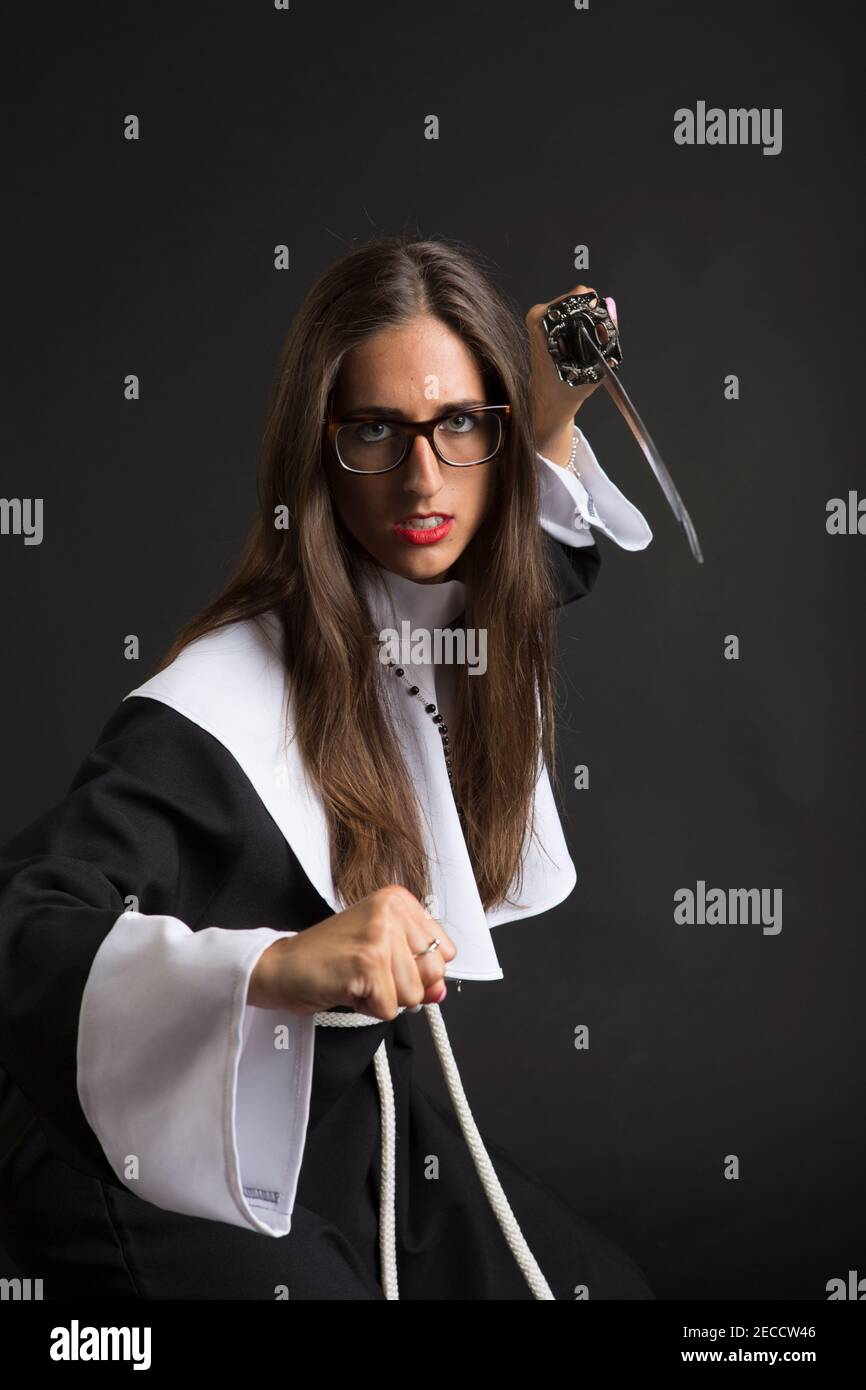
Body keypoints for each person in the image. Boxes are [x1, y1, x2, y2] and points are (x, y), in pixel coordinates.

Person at [0, 234, 655, 1300]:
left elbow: (541, 548)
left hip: (348, 1112)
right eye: (373, 432)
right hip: (149, 1155)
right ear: (319, 451)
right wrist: (274, 966)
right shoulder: (212, 711)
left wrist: (547, 408)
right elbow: (24, 931)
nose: (421, 479)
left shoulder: (435, 610)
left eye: (457, 424)